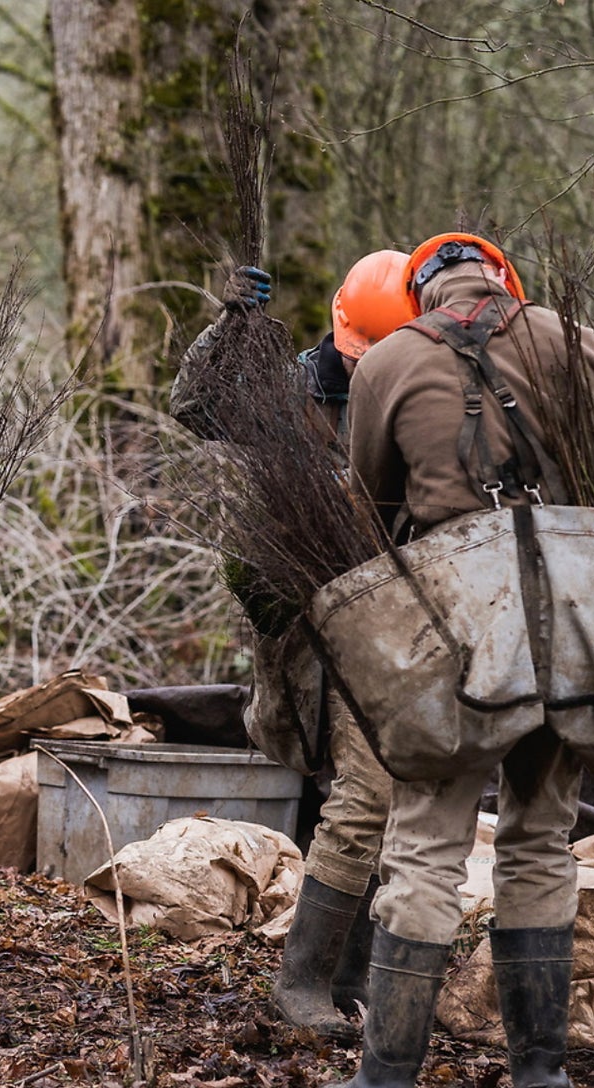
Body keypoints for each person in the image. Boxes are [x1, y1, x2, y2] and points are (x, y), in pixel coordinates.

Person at [320, 232, 594, 1088]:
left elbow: (367, 504)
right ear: (501, 281)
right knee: (539, 841)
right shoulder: (576, 340)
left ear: (422, 294)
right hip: (571, 627)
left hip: (456, 632)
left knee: (427, 845)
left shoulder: (391, 361)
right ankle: (542, 1082)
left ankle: (387, 1086)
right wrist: (571, 518)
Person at [169, 253, 417, 1042]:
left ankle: (332, 978)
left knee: (375, 787)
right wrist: (229, 326)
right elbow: (193, 406)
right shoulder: (297, 387)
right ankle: (321, 977)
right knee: (332, 777)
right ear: (340, 327)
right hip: (302, 620)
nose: (364, 359)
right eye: (357, 345)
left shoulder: (422, 390)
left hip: (397, 620)